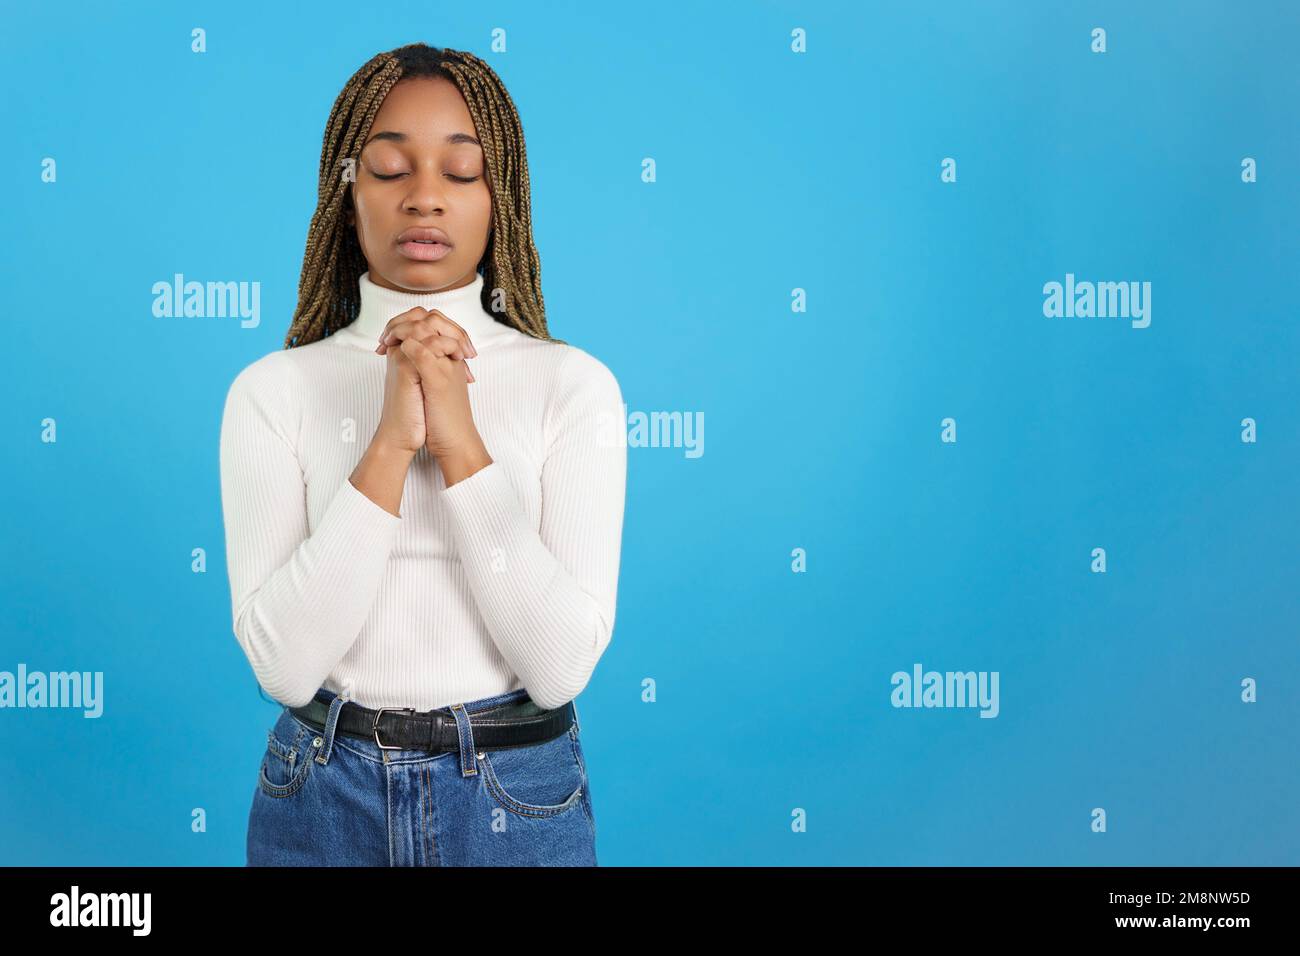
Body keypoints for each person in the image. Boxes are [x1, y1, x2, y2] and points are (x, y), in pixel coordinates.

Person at [218, 42, 626, 866]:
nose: (425, 198)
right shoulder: (271, 392)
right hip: (323, 795)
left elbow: (557, 670)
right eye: (390, 168)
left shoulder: (572, 387)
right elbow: (286, 669)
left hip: (516, 795)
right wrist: (391, 443)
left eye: (461, 172)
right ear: (347, 191)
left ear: (498, 195)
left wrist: (460, 440)